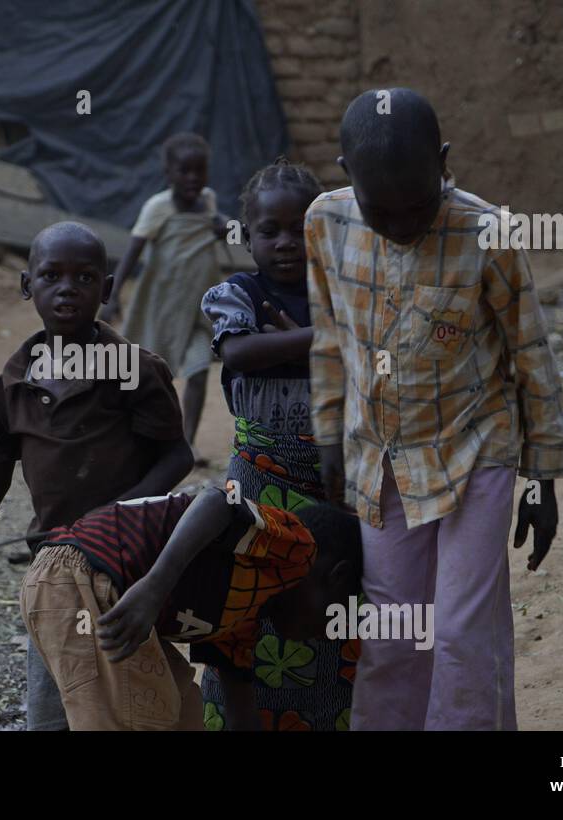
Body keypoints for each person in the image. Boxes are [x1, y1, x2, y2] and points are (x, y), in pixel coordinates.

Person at [307, 88, 563, 730]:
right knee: (393, 630)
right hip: (381, 460)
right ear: (346, 174)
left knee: (460, 632)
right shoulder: (325, 222)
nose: (403, 225)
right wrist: (328, 436)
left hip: (475, 448)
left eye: (419, 206)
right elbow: (328, 335)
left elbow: (531, 352)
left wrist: (541, 478)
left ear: (445, 162)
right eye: (382, 211)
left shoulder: (488, 232)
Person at [0, 221, 193, 731]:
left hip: (128, 560)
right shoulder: (12, 385)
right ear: (27, 284)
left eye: (85, 277)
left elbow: (176, 456)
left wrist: (114, 516)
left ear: (107, 288)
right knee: (54, 699)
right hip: (53, 564)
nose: (67, 288)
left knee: (136, 687)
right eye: (51, 276)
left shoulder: (133, 370)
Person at [197, 157, 357, 730]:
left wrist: (290, 342)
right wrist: (326, 339)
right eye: (270, 230)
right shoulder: (236, 293)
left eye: (300, 229)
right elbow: (239, 352)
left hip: (334, 489)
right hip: (258, 492)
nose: (286, 242)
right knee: (249, 607)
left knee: (330, 614)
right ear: (246, 236)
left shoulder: (343, 291)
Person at [21, 485, 361, 730]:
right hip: (83, 574)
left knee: (182, 713)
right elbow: (216, 500)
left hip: (86, 588)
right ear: (336, 578)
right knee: (140, 720)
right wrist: (155, 587)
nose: (323, 636)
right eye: (334, 617)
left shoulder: (240, 626)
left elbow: (242, 716)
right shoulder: (298, 548)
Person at [101, 133, 230, 463]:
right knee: (153, 374)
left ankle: (187, 444)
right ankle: (133, 435)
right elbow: (133, 251)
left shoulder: (209, 201)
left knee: (199, 371)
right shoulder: (157, 208)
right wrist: (112, 295)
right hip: (163, 307)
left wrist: (223, 227)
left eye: (199, 171)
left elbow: (224, 230)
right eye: (184, 171)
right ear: (168, 173)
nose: (193, 178)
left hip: (200, 308)